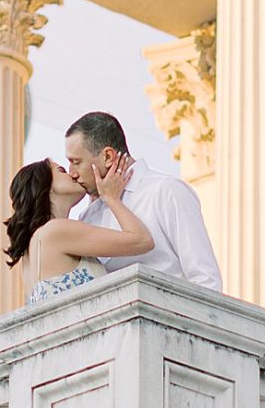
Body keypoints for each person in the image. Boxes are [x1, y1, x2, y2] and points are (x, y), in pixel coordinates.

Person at [64, 110, 222, 288]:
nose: (72, 173)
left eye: (76, 162)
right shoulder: (88, 216)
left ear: (108, 156)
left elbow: (206, 280)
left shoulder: (166, 191)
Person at [3, 152, 155, 303]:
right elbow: (142, 240)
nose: (73, 175)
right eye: (62, 171)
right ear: (43, 184)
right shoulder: (56, 231)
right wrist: (111, 198)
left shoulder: (33, 247)